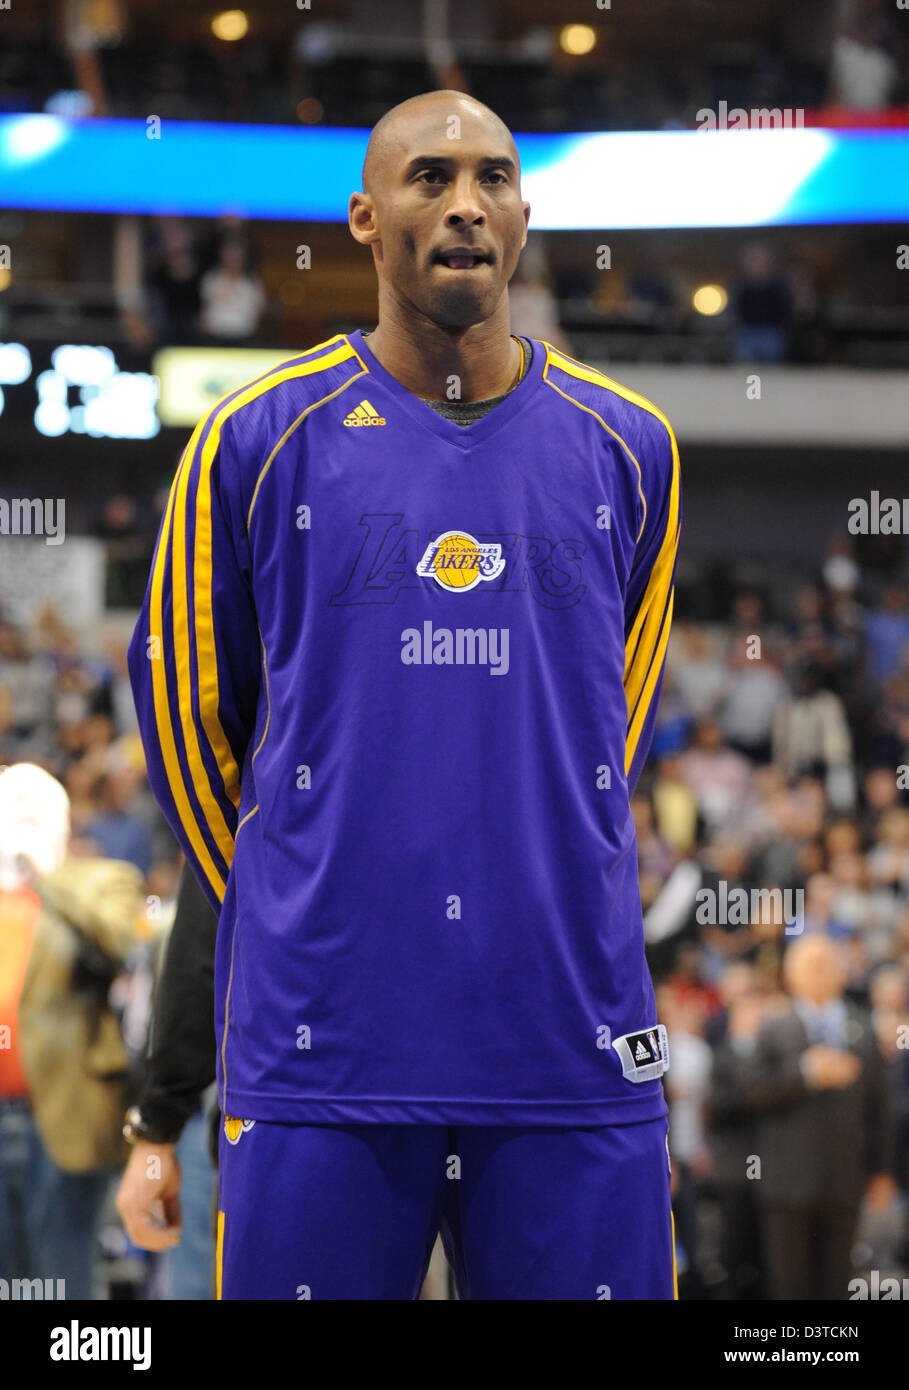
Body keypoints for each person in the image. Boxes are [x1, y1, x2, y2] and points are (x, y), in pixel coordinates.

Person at [120, 89, 682, 1301]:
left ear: (526, 217)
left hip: (568, 1045)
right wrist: (303, 909)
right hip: (325, 1049)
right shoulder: (255, 439)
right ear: (367, 220)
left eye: (494, 177)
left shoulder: (631, 446)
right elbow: (190, 744)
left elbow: (605, 735)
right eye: (430, 178)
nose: (467, 202)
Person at [0, 762, 143, 1299]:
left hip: (60, 1117)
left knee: (59, 1284)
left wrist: (45, 874)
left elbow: (117, 941)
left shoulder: (102, 881)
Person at [742, 934, 895, 1300]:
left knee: (839, 1280)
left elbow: (882, 1108)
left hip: (845, 1176)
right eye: (811, 965)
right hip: (786, 1181)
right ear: (791, 974)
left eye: (828, 963)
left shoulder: (862, 1028)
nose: (821, 972)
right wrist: (806, 1075)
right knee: (789, 1283)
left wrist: (884, 1171)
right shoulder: (771, 1026)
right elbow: (750, 1092)